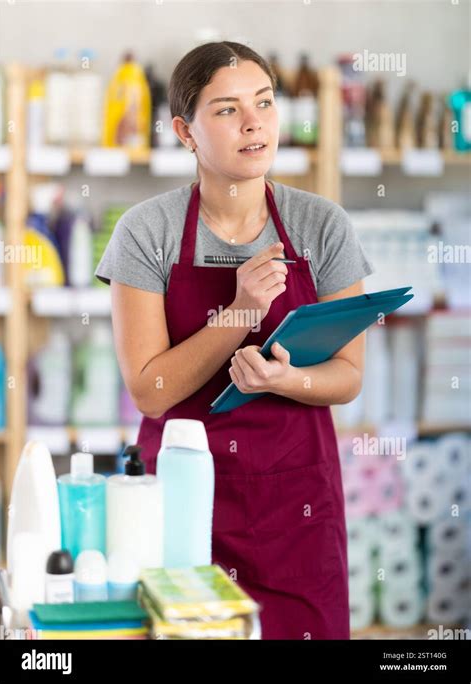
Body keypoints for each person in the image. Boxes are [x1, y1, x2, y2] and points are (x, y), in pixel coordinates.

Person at [95, 41, 374, 640]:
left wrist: (286, 380)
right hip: (183, 503)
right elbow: (150, 390)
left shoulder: (321, 225)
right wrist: (241, 311)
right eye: (225, 109)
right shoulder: (148, 233)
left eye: (265, 103)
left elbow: (348, 375)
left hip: (296, 510)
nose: (253, 123)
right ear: (185, 131)